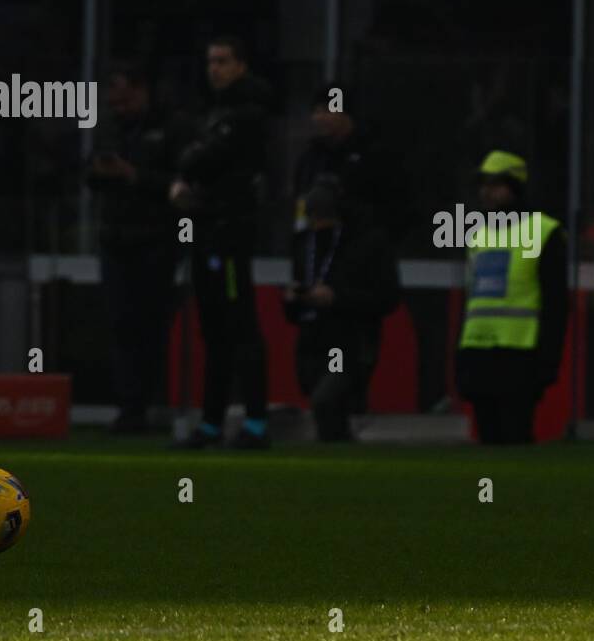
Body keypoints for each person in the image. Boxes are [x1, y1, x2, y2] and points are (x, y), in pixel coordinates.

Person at [169, 37, 274, 450]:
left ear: (241, 65)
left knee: (241, 326)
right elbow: (195, 156)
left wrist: (190, 171)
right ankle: (211, 422)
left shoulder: (248, 112)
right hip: (207, 230)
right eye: (211, 61)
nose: (215, 69)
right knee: (213, 329)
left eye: (223, 61)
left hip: (230, 233)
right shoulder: (214, 111)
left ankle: (256, 423)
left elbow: (202, 157)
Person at [86, 60, 190, 433]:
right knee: (121, 325)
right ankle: (129, 408)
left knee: (152, 326)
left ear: (143, 91)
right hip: (116, 239)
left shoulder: (172, 127)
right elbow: (90, 175)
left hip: (155, 241)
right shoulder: (111, 129)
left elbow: (181, 184)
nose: (120, 108)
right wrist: (98, 172)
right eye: (114, 101)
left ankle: (154, 403)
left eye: (126, 99)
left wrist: (134, 176)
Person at [456, 151, 568, 445]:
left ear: (514, 187)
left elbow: (556, 302)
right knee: (489, 442)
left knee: (515, 438)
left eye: (494, 184)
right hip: (480, 348)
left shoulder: (544, 231)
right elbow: (472, 299)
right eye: (483, 184)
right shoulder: (477, 233)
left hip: (521, 352)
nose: (486, 192)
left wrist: (548, 357)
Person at [283, 175, 400, 442]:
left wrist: (337, 298)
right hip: (312, 338)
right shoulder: (304, 244)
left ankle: (339, 447)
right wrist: (293, 298)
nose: (317, 227)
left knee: (327, 399)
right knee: (322, 400)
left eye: (323, 220)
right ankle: (340, 447)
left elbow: (387, 297)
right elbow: (295, 300)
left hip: (346, 342)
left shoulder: (368, 243)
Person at [292, 83, 412, 245]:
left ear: (346, 114)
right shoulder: (311, 158)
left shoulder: (373, 155)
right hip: (319, 251)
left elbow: (394, 206)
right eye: (316, 111)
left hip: (362, 250)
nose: (319, 118)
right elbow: (301, 203)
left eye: (327, 111)